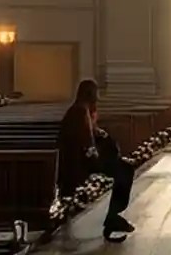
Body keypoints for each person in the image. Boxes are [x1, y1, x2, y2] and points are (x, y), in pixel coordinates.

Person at [57, 79, 136, 242]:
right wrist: (99, 161)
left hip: (80, 162)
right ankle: (113, 217)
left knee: (124, 168)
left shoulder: (81, 110)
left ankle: (114, 216)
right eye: (95, 93)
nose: (97, 97)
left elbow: (91, 134)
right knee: (125, 170)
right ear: (89, 94)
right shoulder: (79, 112)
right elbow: (86, 145)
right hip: (78, 166)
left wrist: (101, 134)